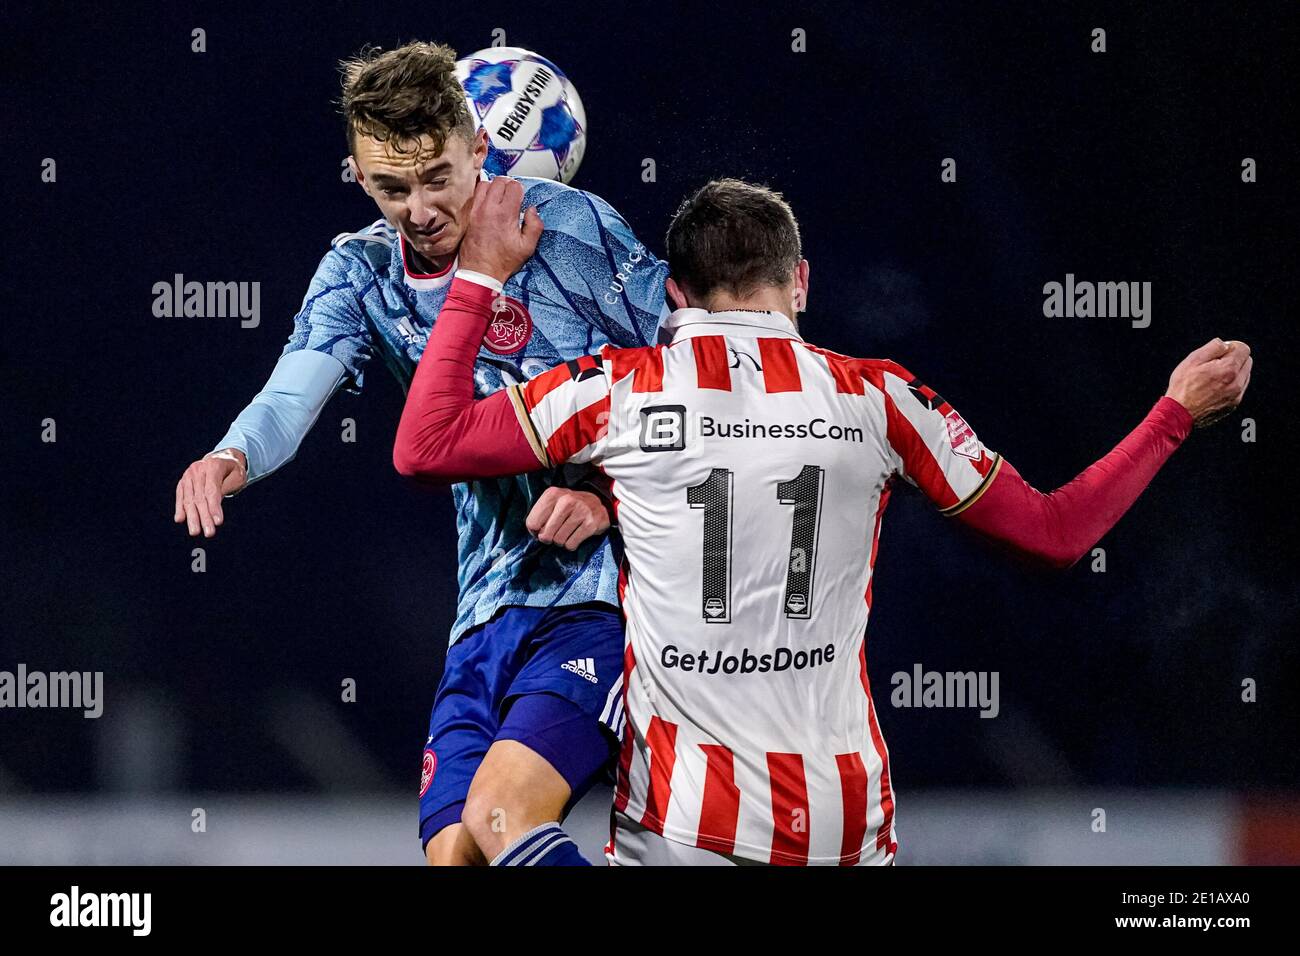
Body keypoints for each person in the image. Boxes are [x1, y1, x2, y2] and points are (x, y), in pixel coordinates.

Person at [394, 175, 1252, 865]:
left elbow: (425, 447)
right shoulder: (881, 397)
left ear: (678, 293)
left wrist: (478, 279)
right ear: (800, 280)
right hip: (845, 818)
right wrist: (1173, 414)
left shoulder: (618, 387)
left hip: (688, 822)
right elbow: (1057, 534)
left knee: (496, 827)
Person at [173, 42, 669, 866]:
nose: (420, 208)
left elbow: (700, 375)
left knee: (501, 820)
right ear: (359, 176)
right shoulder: (360, 270)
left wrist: (605, 492)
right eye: (391, 187)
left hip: (611, 594)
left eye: (437, 176)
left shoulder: (571, 226)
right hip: (486, 604)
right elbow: (294, 391)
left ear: (479, 148)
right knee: (453, 857)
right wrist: (229, 456)